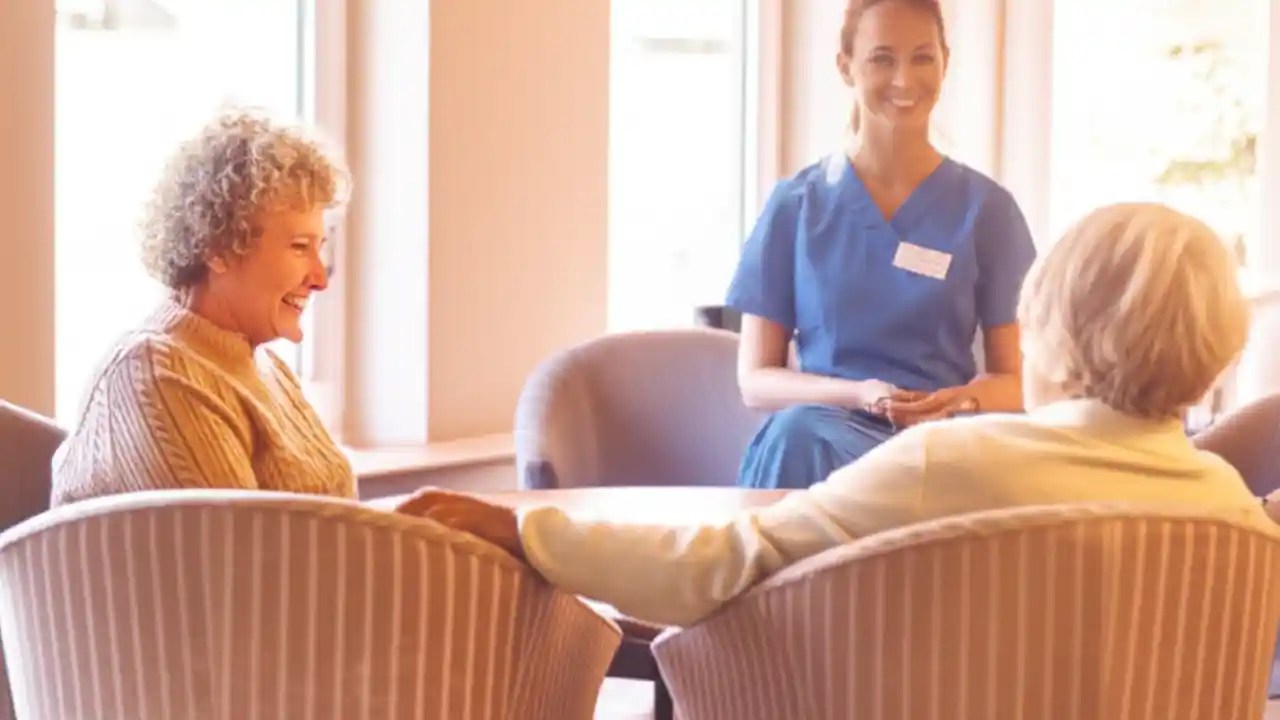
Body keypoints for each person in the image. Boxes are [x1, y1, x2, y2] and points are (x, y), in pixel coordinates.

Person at [398, 202, 1269, 628]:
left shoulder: (957, 465)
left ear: (1055, 324)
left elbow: (721, 568)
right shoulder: (1233, 513)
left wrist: (530, 534)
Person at [727, 0, 1037, 490]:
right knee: (796, 434)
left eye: (922, 58)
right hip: (824, 431)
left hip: (941, 442)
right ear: (845, 66)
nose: (903, 80)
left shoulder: (988, 210)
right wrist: (859, 394)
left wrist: (958, 400)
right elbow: (756, 380)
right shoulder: (796, 206)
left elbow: (1019, 382)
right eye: (881, 59)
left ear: (945, 62)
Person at [51, 109, 357, 505]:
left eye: (320, 249)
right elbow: (234, 556)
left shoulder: (267, 370)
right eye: (300, 247)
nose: (320, 278)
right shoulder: (155, 373)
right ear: (219, 248)